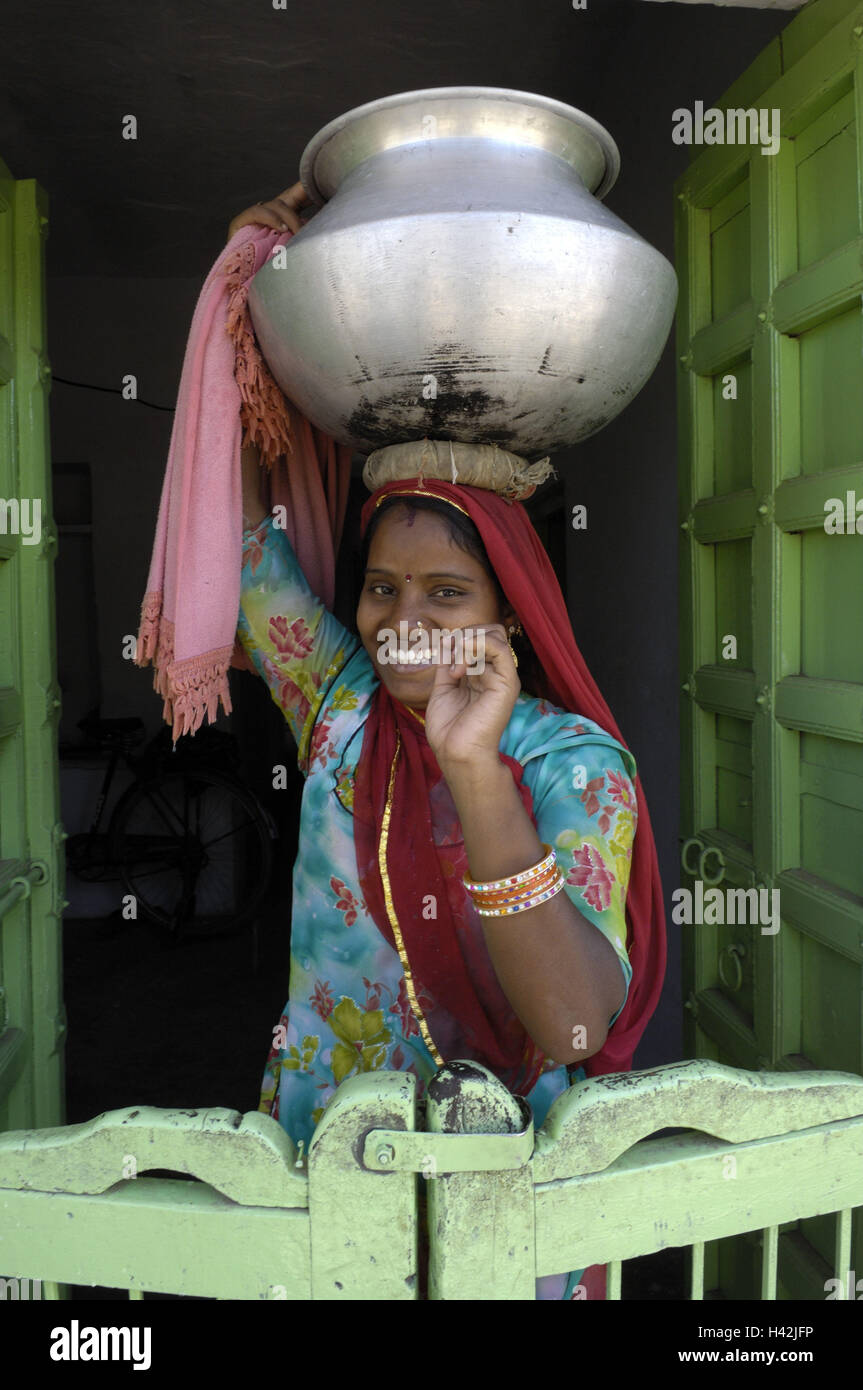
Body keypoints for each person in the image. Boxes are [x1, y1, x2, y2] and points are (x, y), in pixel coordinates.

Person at [230, 187, 665, 1300]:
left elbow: (570, 1021)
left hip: (503, 1196)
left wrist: (473, 768)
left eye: (445, 590)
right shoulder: (338, 714)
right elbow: (234, 552)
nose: (400, 617)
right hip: (331, 1177)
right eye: (380, 587)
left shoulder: (575, 767)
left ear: (508, 608)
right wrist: (247, 299)